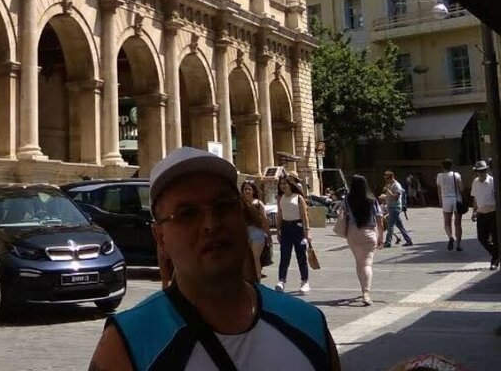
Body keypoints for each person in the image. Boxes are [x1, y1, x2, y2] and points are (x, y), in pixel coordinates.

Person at [88, 147, 341, 371]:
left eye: (223, 206)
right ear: (160, 237)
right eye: (187, 214)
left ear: (243, 216)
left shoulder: (309, 326)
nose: (210, 224)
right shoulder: (126, 345)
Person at [341, 174, 384, 305]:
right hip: (368, 233)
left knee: (359, 263)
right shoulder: (372, 199)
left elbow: (344, 214)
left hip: (353, 232)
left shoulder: (347, 199)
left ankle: (363, 289)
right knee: (367, 264)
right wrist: (381, 236)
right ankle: (366, 292)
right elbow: (379, 218)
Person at [275, 171, 312, 294]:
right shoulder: (281, 198)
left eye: (285, 183)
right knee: (284, 255)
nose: (283, 186)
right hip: (286, 227)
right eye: (281, 184)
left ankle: (305, 281)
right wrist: (278, 230)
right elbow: (279, 214)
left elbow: (304, 215)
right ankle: (281, 280)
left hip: (298, 227)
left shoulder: (298, 197)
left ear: (290, 185)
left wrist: (307, 231)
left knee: (301, 255)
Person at [469, 160, 497, 269]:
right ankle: (496, 255)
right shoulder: (475, 182)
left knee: (495, 237)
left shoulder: (492, 181)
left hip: (492, 213)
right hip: (481, 213)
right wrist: (474, 211)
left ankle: (495, 259)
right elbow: (475, 197)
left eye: (483, 171)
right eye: (478, 171)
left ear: (486, 171)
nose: (481, 173)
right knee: (481, 238)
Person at [240, 180, 271, 280]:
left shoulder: (258, 203)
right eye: (245, 189)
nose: (247, 191)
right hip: (244, 233)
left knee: (255, 258)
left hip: (257, 233)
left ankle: (257, 281)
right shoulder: (240, 203)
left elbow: (265, 220)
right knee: (246, 258)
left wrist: (269, 235)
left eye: (249, 189)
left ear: (253, 191)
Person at [436, 158, 465, 251]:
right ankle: (458, 244)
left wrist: (440, 200)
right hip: (456, 199)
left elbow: (439, 189)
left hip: (446, 200)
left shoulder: (439, 176)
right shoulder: (456, 175)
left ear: (442, 167)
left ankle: (450, 237)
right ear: (451, 166)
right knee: (458, 223)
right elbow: (462, 188)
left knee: (447, 222)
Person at [382, 171, 413, 247]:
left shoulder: (396, 185)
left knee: (390, 225)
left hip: (395, 207)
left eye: (387, 178)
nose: (386, 180)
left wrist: (387, 190)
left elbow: (396, 197)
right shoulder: (391, 185)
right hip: (391, 207)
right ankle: (408, 240)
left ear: (392, 177)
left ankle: (388, 242)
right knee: (400, 225)